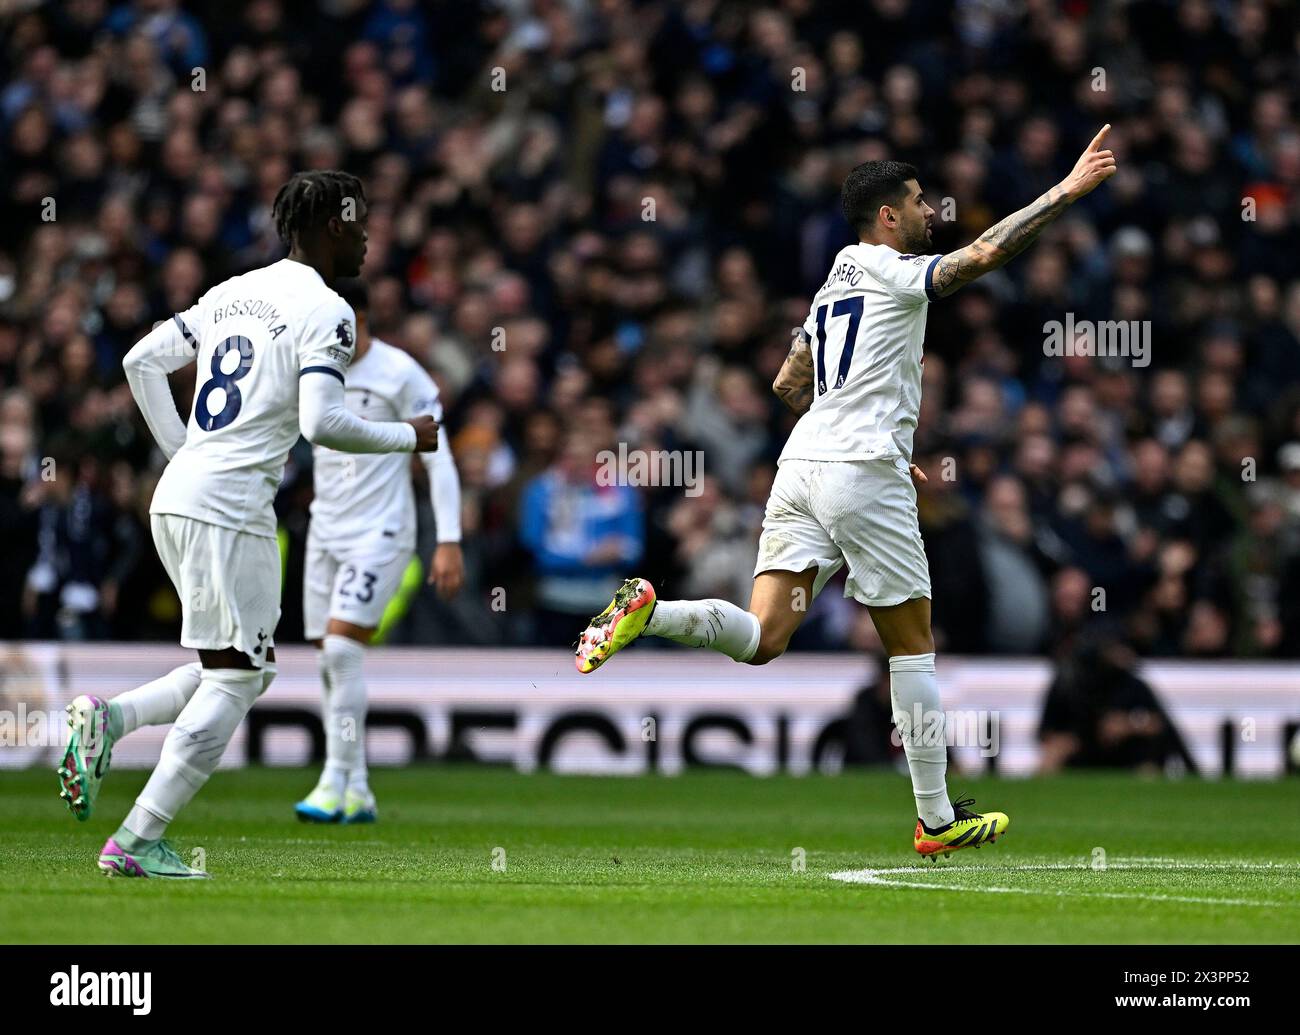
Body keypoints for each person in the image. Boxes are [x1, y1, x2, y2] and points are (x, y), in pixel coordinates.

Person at [575, 126, 1118, 858]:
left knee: (765, 638)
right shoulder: (897, 270)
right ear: (888, 216)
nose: (931, 211)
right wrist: (1068, 191)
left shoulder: (835, 275)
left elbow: (788, 382)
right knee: (912, 646)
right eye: (920, 202)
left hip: (802, 464)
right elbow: (984, 255)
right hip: (859, 471)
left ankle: (651, 609)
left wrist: (868, 432)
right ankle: (935, 817)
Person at [56, 171, 440, 878]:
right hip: (231, 507)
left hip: (181, 496)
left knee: (234, 668)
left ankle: (108, 721)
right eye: (358, 225)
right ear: (329, 225)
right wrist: (406, 437)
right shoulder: (329, 310)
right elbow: (320, 422)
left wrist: (181, 451)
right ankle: (136, 840)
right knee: (237, 679)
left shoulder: (234, 290)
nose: (366, 238)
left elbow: (141, 359)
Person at [295, 277, 463, 825]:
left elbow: (437, 455)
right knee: (328, 660)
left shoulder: (401, 372)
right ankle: (359, 788)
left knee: (342, 652)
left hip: (382, 533)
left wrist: (449, 540)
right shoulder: (314, 367)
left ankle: (331, 779)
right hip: (325, 530)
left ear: (361, 320)